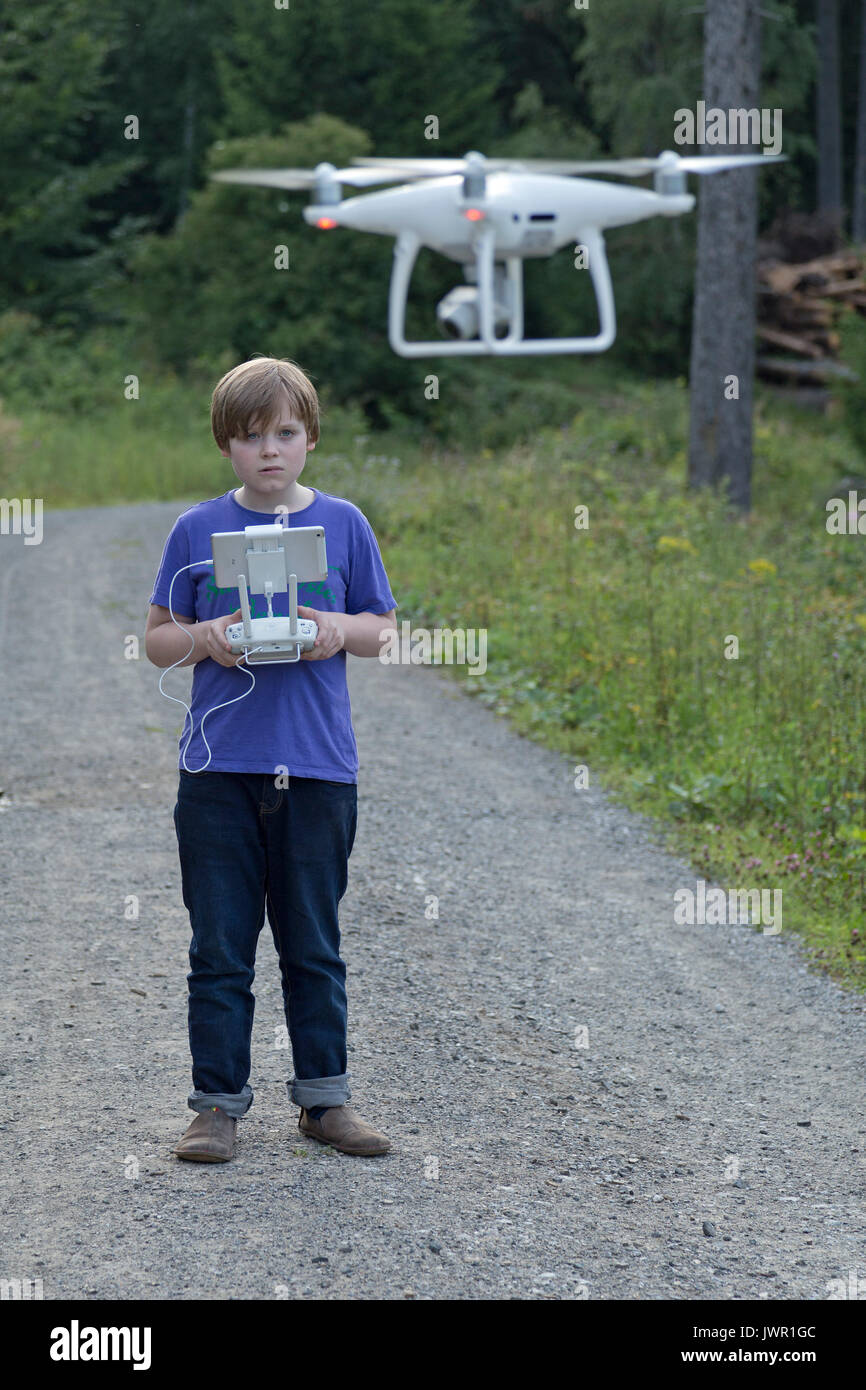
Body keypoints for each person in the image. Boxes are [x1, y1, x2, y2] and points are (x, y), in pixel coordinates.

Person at [144, 355, 398, 1162]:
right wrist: (203, 640)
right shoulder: (195, 530)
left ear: (311, 437)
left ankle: (325, 1102)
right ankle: (215, 1107)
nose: (269, 450)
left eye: (285, 433)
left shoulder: (347, 524)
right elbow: (156, 642)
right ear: (227, 444)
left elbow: (383, 630)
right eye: (250, 436)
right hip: (219, 772)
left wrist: (334, 628)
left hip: (318, 770)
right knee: (220, 947)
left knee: (312, 943)